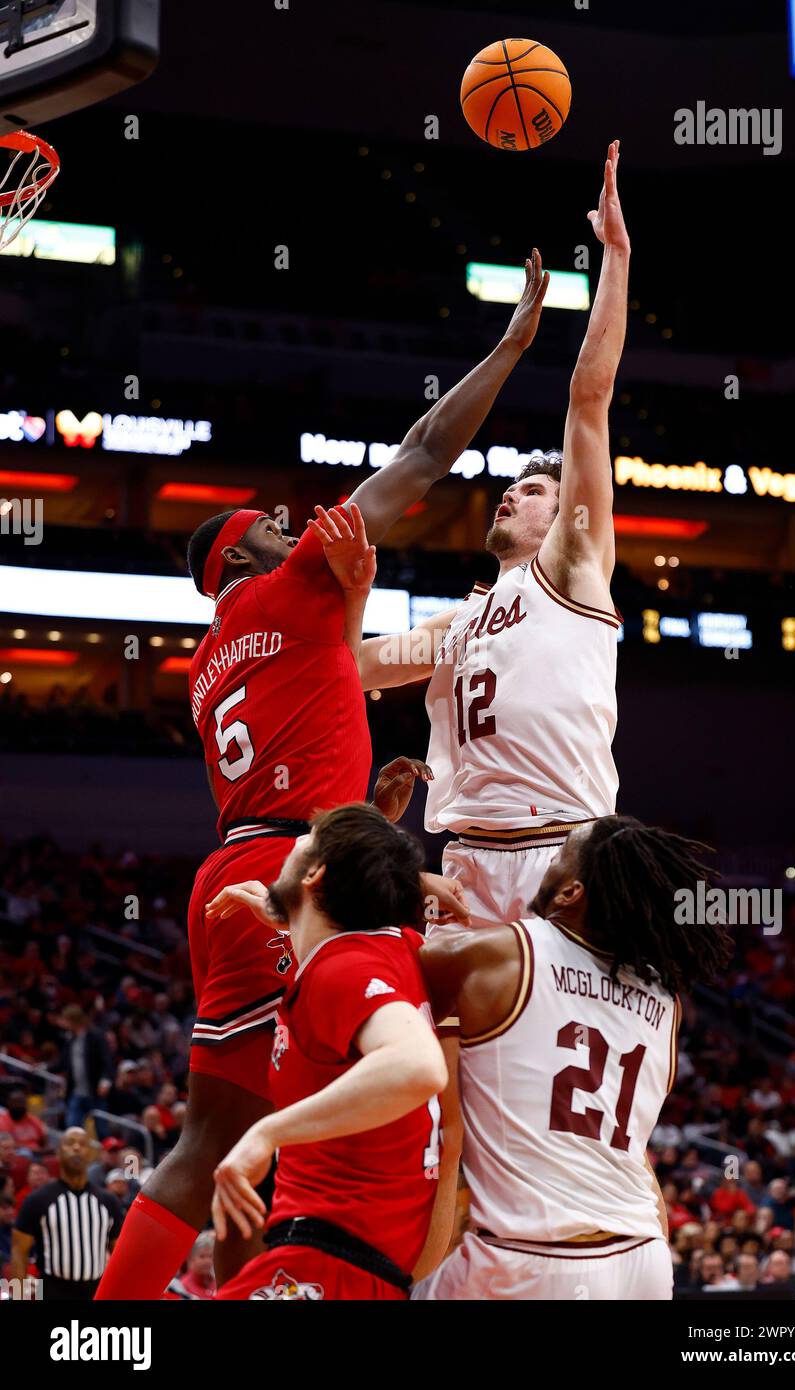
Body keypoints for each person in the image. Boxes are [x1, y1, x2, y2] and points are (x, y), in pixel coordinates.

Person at [96, 275, 544, 1301]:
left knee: (257, 1115)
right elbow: (427, 451)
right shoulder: (296, 578)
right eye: (271, 526)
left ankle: (247, 1286)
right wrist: (512, 345)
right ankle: (111, 1329)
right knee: (262, 1120)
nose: (291, 526)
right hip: (296, 875)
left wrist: (366, 825)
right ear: (246, 553)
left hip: (258, 859)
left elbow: (309, 717)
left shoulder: (209, 666)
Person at [355, 142, 629, 927]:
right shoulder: (461, 623)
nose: (513, 492)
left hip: (561, 853)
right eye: (512, 486)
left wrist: (614, 253)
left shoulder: (574, 570)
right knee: (451, 1050)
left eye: (536, 490)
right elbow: (358, 666)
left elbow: (589, 396)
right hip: (466, 860)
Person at [411, 816, 733, 1299]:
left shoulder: (503, 954)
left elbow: (380, 969)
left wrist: (410, 888)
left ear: (569, 894)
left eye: (559, 858)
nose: (547, 866)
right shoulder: (667, 1003)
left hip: (536, 1258)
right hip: (643, 1253)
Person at [207, 805, 449, 1301]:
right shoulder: (398, 947)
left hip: (324, 1263)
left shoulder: (339, 971)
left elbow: (419, 1065)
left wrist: (267, 1132)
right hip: (365, 1268)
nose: (293, 843)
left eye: (307, 839)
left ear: (316, 875)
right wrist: (287, 913)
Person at [10, 1128, 124, 1300]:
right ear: (58, 1152)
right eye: (70, 1143)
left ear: (90, 1153)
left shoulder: (109, 1202)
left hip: (95, 1293)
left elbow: (119, 1256)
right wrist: (18, 1298)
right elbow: (19, 1254)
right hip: (51, 1292)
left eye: (82, 1144)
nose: (76, 1148)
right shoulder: (37, 1200)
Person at [57, 1004, 114, 1129]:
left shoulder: (96, 1036)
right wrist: (42, 1067)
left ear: (73, 1020)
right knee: (72, 1128)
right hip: (76, 1092)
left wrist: (105, 1081)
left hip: (95, 1091)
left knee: (101, 1129)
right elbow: (61, 1063)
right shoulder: (70, 1039)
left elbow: (107, 1061)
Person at [0, 1089, 48, 1156]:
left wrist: (43, 1150)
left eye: (22, 1102)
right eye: (16, 1102)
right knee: (24, 1153)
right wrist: (32, 1150)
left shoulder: (33, 1120)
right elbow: (6, 1144)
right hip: (16, 1154)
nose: (19, 1105)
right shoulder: (2, 1120)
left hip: (38, 1154)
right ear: (9, 1103)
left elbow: (43, 1141)